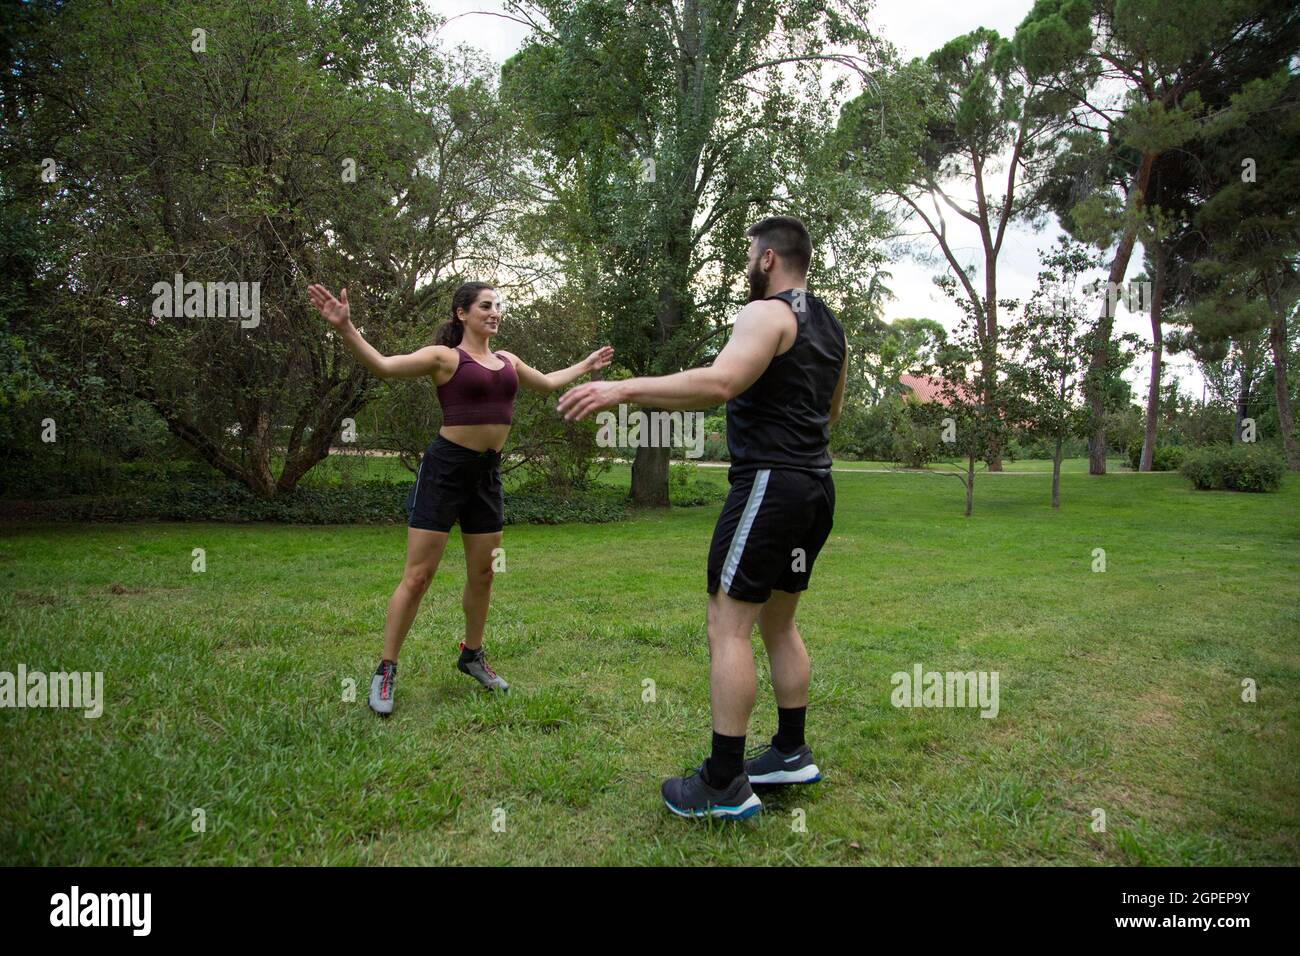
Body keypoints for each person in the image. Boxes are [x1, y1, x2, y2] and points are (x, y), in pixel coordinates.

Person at [558, 216, 846, 819]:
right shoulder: (832, 327)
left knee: (730, 626)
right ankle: (790, 752)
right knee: (779, 623)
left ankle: (722, 782)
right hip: (816, 487)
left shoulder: (765, 314)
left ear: (768, 259)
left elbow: (720, 383)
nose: (747, 263)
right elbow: (831, 410)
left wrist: (622, 389)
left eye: (749, 253)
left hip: (770, 484)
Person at [308, 281, 613, 715]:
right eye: (485, 306)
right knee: (418, 576)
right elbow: (384, 366)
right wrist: (346, 327)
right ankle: (387, 667)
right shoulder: (445, 359)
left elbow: (546, 385)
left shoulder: (508, 361)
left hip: (487, 475)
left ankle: (472, 655)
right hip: (445, 471)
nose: (495, 312)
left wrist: (585, 364)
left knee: (484, 573)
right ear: (461, 313)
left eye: (498, 306)